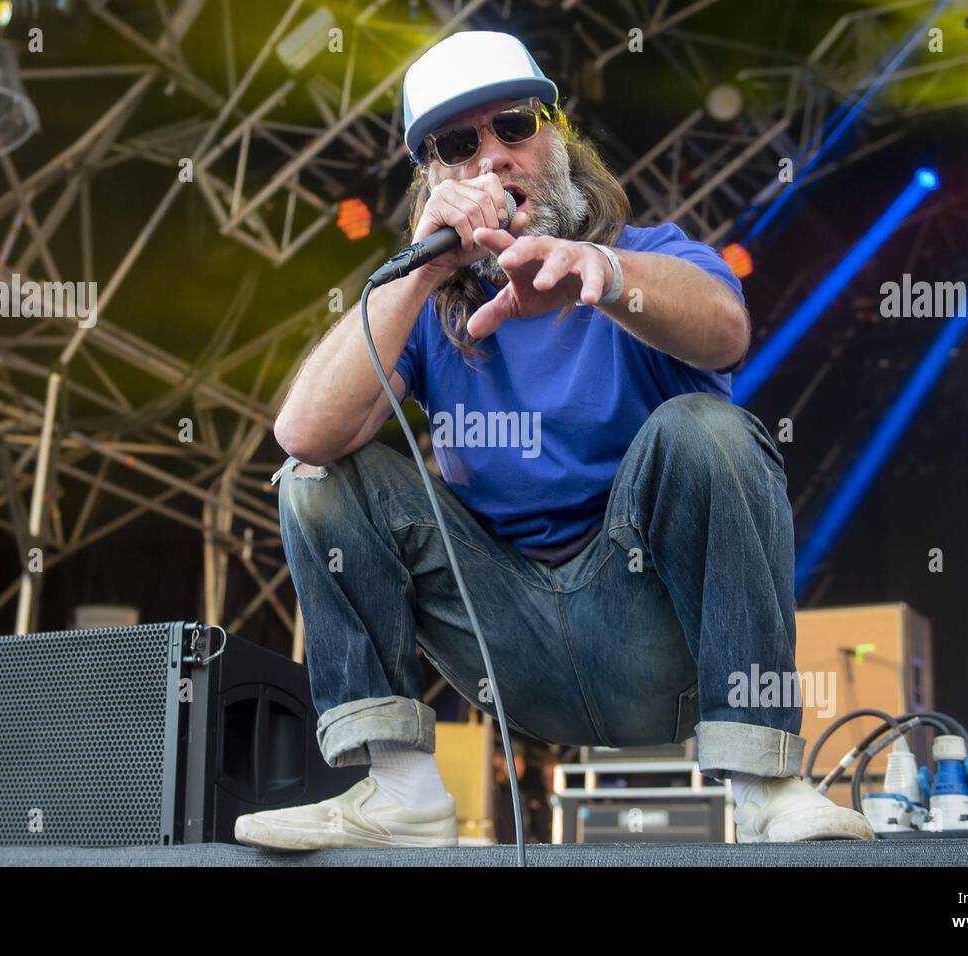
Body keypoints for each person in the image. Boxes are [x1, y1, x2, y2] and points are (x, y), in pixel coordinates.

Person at [234, 30, 874, 850]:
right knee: (313, 478)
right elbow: (303, 434)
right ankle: (399, 792)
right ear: (432, 176)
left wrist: (603, 276)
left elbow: (726, 334)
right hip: (507, 645)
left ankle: (768, 784)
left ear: (558, 137)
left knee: (708, 429)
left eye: (514, 125)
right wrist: (419, 270)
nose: (492, 158)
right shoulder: (429, 312)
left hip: (654, 633)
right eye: (457, 145)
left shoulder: (645, 259)